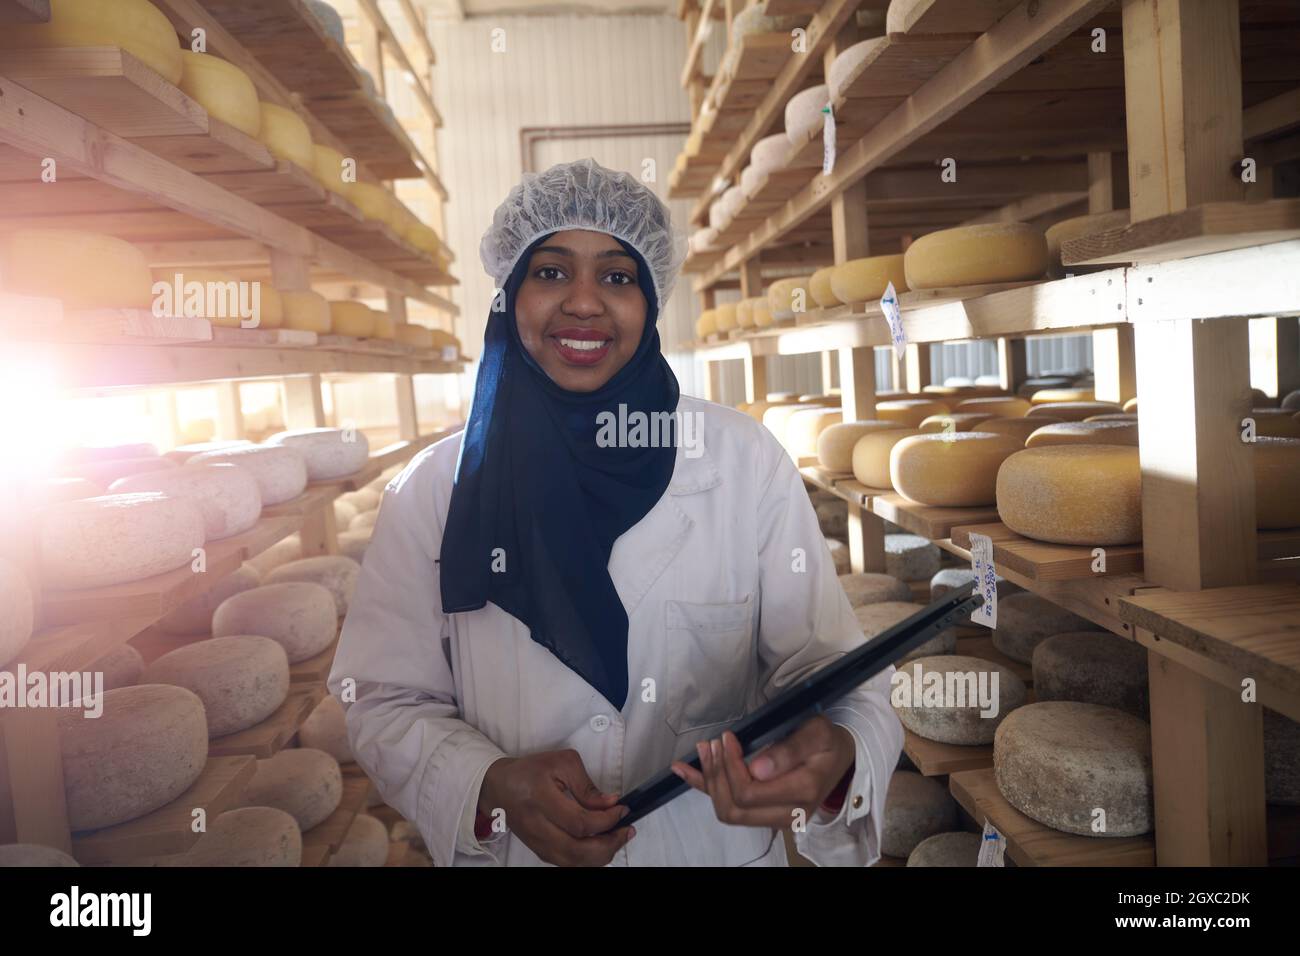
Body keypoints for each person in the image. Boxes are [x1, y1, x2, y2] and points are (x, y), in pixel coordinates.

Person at [328, 158, 902, 866]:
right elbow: (383, 699)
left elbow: (835, 672)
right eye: (549, 272)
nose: (583, 303)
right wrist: (490, 781)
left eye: (617, 276)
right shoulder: (434, 490)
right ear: (510, 294)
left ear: (651, 299)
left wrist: (836, 754)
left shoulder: (742, 462)